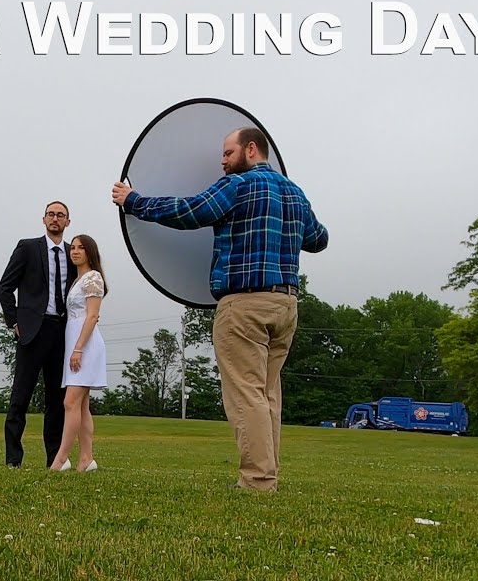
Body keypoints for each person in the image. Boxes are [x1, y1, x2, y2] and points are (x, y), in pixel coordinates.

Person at [111, 127, 328, 491]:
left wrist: (135, 201)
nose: (223, 161)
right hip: (286, 304)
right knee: (267, 393)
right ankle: (267, 475)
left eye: (228, 153)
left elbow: (189, 211)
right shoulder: (295, 192)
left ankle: (258, 481)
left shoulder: (239, 185)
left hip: (244, 304)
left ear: (251, 149)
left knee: (246, 393)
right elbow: (318, 239)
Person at [0, 201, 77, 468]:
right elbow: (4, 288)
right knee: (20, 397)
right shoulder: (28, 248)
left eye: (61, 215)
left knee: (57, 400)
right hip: (32, 331)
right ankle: (13, 460)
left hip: (61, 333)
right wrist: (14, 322)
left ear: (68, 222)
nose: (55, 219)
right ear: (44, 219)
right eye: (51, 214)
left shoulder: (73, 254)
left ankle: (54, 459)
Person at [50, 234, 108, 472]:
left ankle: (61, 459)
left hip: (85, 345)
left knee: (70, 401)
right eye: (72, 248)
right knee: (82, 405)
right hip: (74, 343)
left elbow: (93, 315)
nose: (75, 251)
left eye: (81, 248)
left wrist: (78, 349)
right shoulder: (77, 279)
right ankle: (87, 459)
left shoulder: (93, 277)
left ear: (90, 252)